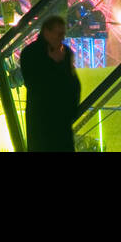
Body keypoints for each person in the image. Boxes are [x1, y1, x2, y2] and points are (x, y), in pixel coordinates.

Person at [19, 14, 82, 151]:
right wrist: (56, 64)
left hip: (47, 121)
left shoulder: (30, 52)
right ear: (47, 32)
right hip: (46, 123)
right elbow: (37, 85)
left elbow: (72, 84)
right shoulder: (32, 54)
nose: (62, 38)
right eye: (59, 34)